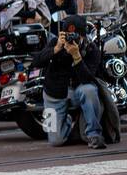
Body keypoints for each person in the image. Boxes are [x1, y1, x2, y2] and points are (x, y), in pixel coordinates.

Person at [30, 15, 107, 149]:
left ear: (83, 35)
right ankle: (69, 122)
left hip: (78, 89)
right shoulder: (56, 43)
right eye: (69, 36)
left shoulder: (91, 49)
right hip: (54, 94)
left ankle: (93, 133)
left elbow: (88, 79)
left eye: (76, 36)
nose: (73, 40)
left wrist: (77, 57)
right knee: (55, 141)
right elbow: (35, 63)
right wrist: (56, 49)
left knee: (89, 90)